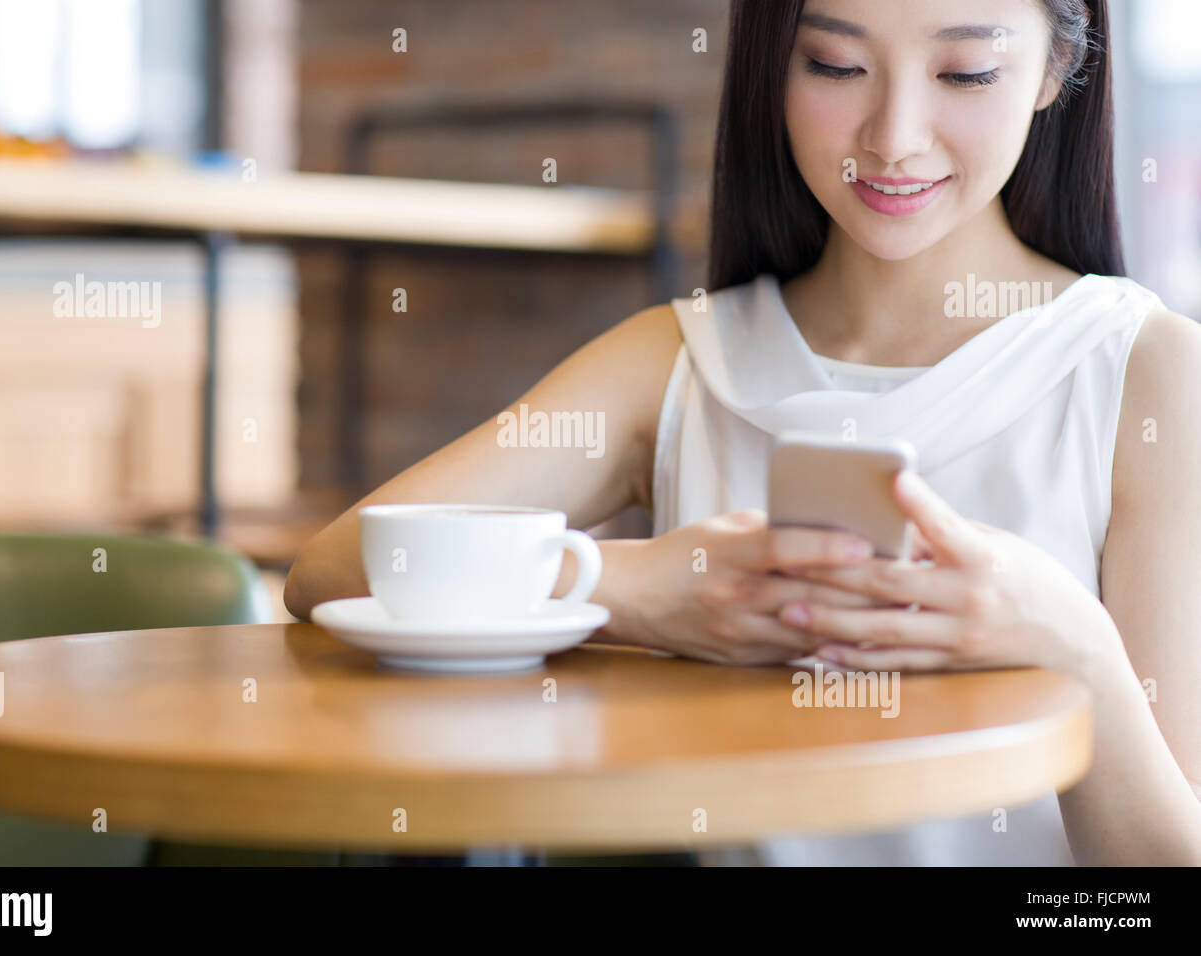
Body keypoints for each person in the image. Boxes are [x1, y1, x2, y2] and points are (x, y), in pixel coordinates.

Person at [285, 0, 1201, 866]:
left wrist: (1077, 644)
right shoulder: (684, 361)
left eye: (964, 73)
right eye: (835, 64)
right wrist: (628, 583)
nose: (892, 136)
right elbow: (336, 566)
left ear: (1057, 68)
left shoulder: (1142, 370)